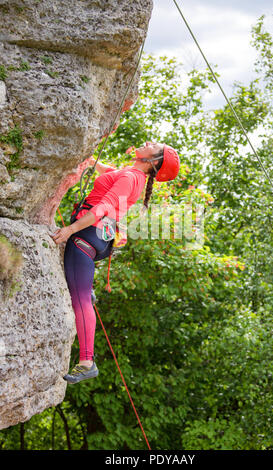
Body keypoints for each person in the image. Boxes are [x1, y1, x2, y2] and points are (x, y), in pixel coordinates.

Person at [51, 141, 180, 384]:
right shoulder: (132, 176)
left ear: (154, 162)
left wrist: (70, 230)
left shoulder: (131, 178)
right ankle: (88, 292)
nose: (149, 142)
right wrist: (93, 162)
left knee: (79, 300)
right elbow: (110, 173)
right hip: (98, 239)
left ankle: (87, 361)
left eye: (155, 146)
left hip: (86, 237)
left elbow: (103, 207)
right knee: (83, 293)